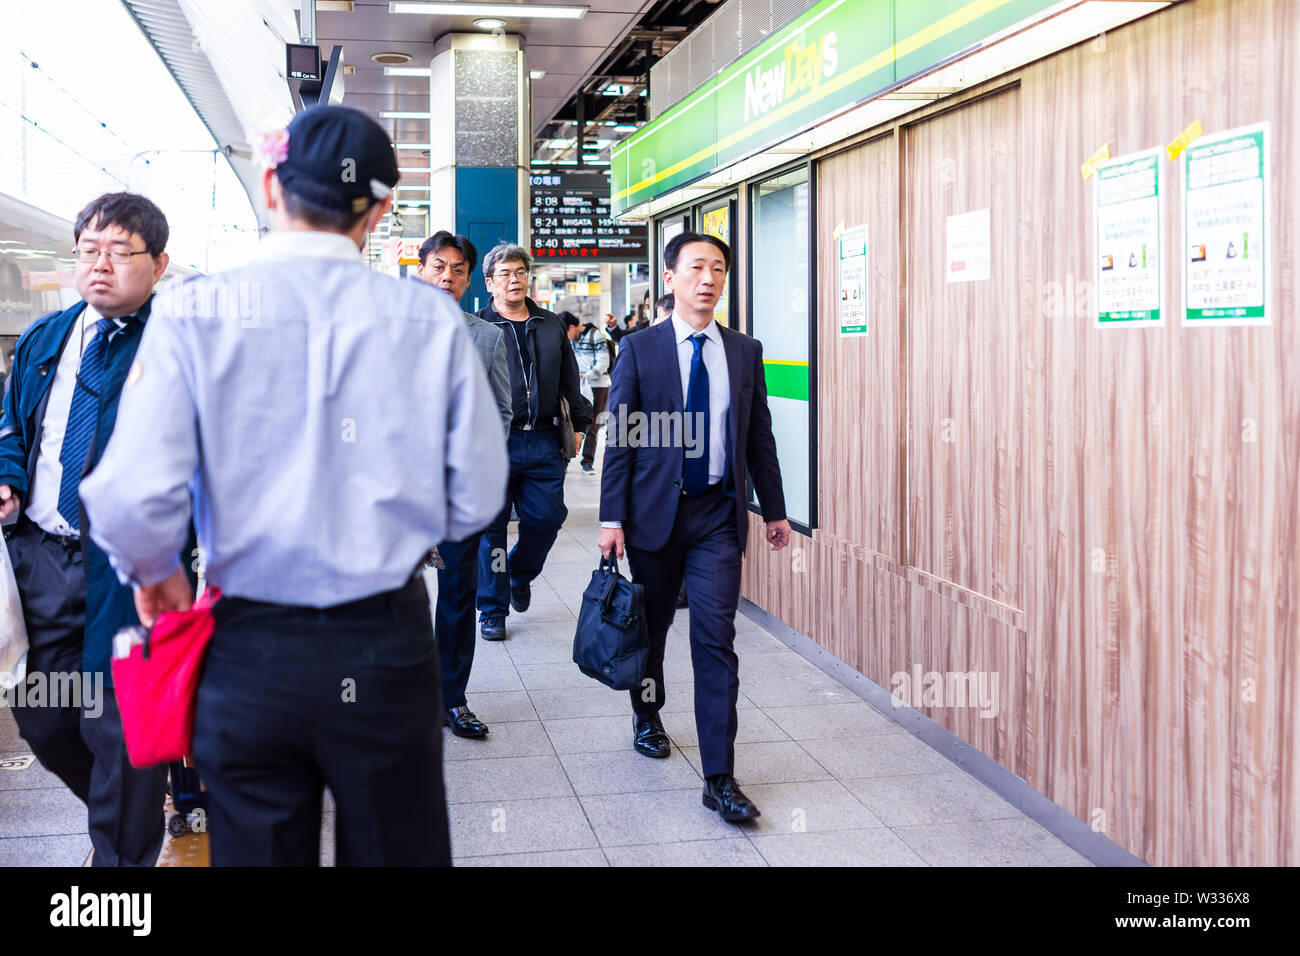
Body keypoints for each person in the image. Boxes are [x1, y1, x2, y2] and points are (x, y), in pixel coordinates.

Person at [79, 105, 508, 866]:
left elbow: (123, 496)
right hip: (385, 648)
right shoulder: (429, 321)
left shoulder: (195, 312)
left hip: (248, 648)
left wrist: (161, 578)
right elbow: (476, 495)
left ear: (273, 186)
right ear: (379, 210)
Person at [0, 192, 180, 867]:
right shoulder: (47, 337)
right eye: (88, 250)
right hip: (43, 562)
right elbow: (11, 425)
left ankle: (120, 873)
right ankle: (126, 806)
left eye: (119, 252)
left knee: (122, 733)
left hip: (134, 576)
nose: (99, 265)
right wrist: (6, 473)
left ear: (158, 264)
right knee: (44, 720)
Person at [597, 231, 790, 824]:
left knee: (715, 641)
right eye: (697, 268)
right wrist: (610, 516)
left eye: (719, 269)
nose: (709, 278)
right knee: (651, 634)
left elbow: (758, 435)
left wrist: (775, 508)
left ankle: (719, 777)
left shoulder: (744, 351)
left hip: (716, 519)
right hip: (655, 515)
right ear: (672, 277)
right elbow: (624, 437)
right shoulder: (641, 348)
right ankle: (648, 714)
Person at [416, 230, 511, 739]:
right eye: (438, 266)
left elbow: (500, 410)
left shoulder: (487, 336)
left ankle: (452, 699)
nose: (446, 277)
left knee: (456, 597)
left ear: (469, 279)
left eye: (456, 269)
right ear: (421, 269)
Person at [475, 244, 592, 641]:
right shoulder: (478, 327)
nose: (514, 279)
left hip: (544, 441)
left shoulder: (550, 324)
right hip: (494, 443)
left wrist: (580, 425)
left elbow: (569, 379)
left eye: (520, 272)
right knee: (491, 528)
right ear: (490, 283)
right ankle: (492, 609)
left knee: (547, 518)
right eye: (505, 273)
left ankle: (519, 575)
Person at [570, 317, 613, 475]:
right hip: (579, 385)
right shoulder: (574, 339)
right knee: (570, 421)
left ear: (572, 327)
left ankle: (587, 461)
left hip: (597, 386)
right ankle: (565, 458)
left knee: (593, 425)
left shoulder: (596, 335)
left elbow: (604, 362)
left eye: (567, 332)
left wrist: (587, 375)